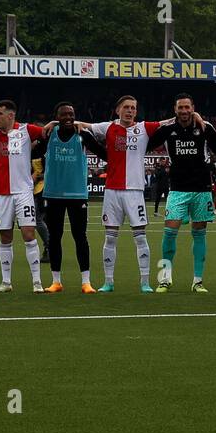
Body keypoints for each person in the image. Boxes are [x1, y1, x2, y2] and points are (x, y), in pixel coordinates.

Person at [62, 96, 177, 293]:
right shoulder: (107, 127)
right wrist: (55, 123)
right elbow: (81, 124)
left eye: (133, 108)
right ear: (118, 110)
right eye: (126, 107)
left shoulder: (144, 127)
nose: (130, 111)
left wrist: (196, 115)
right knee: (111, 238)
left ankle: (144, 282)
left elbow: (171, 121)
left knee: (140, 237)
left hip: (134, 192)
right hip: (112, 192)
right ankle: (108, 282)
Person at [146, 94, 216, 293]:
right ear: (175, 109)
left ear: (193, 108)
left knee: (199, 234)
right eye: (180, 108)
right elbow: (146, 145)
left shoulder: (205, 127)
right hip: (177, 189)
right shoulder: (168, 129)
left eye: (187, 107)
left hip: (202, 189)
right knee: (169, 232)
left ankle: (197, 281)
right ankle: (164, 278)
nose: (184, 111)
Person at [0, 99, 47, 292]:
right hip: (2, 194)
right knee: (5, 237)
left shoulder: (26, 130)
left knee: (28, 233)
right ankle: (6, 282)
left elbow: (46, 133)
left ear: (11, 115)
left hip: (23, 192)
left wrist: (53, 124)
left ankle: (37, 282)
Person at [39, 101, 103, 293]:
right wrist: (49, 124)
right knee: (54, 237)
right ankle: (56, 282)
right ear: (56, 117)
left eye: (71, 114)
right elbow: (32, 143)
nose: (68, 117)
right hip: (53, 193)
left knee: (80, 237)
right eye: (64, 114)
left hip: (77, 194)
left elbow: (103, 153)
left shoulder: (82, 135)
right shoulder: (49, 135)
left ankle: (86, 282)